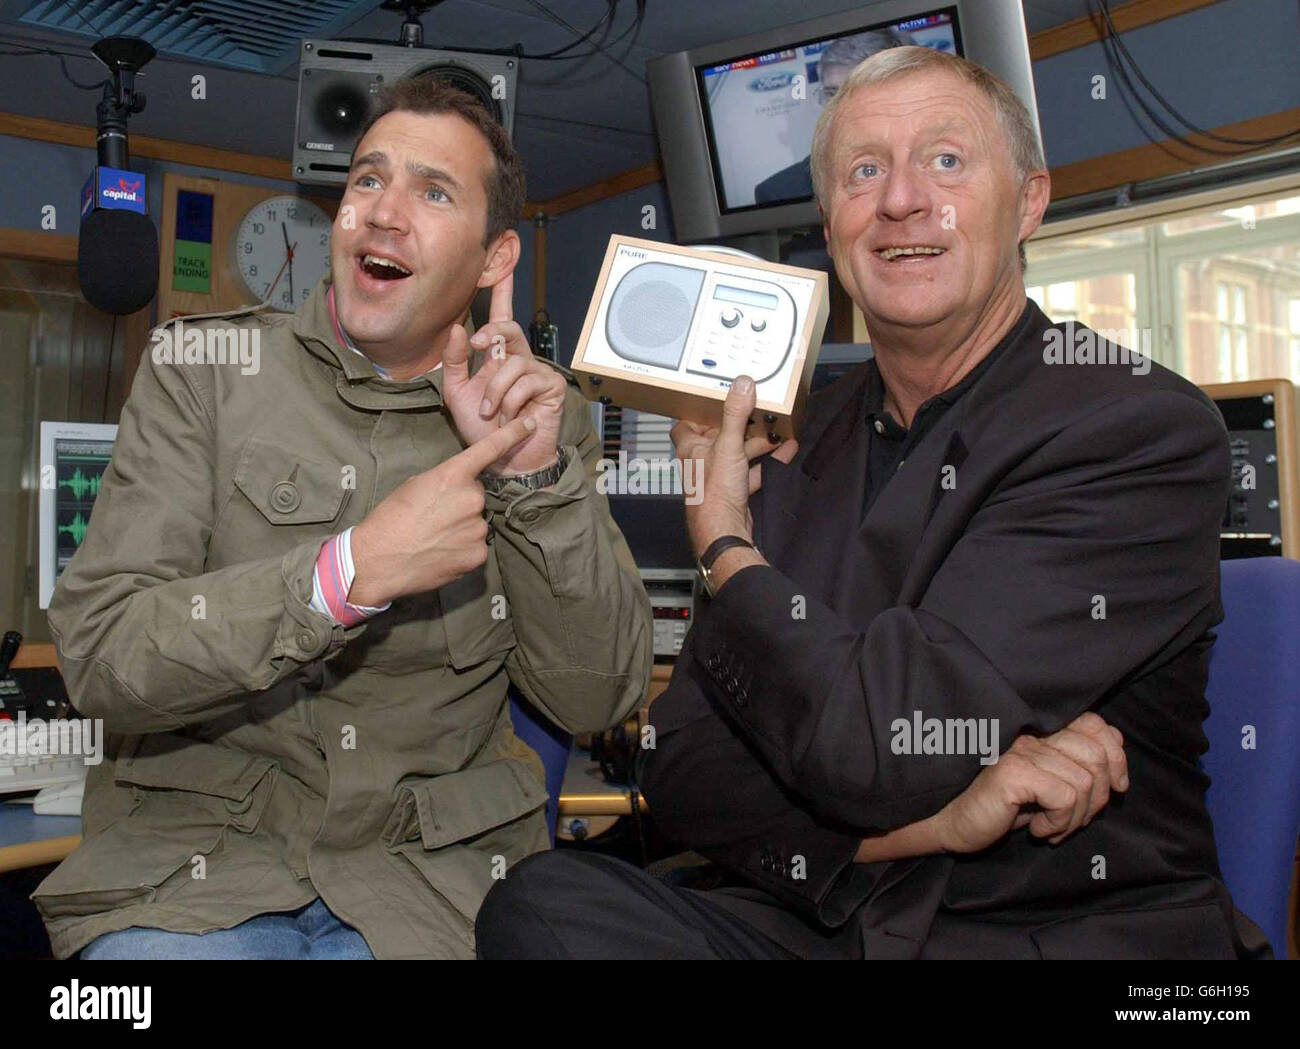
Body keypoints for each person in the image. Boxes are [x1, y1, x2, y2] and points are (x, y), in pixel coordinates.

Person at [474, 47, 1266, 960]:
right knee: (544, 907)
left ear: (1031, 203)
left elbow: (881, 746)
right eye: (863, 171)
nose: (899, 201)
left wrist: (725, 541)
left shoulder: (1135, 428)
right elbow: (682, 771)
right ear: (832, 223)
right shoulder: (801, 432)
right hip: (827, 913)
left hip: (1057, 935)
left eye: (946, 161)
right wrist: (932, 823)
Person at [33, 78, 652, 960]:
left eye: (434, 192)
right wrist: (342, 577)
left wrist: (532, 476)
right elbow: (100, 652)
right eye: (368, 180)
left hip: (430, 885)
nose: (384, 215)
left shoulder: (543, 424)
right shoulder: (201, 371)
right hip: (199, 878)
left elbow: (600, 696)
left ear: (494, 259)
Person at [753, 28, 915, 205]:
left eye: (856, 92)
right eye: (831, 93)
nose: (840, 108)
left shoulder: (935, 166)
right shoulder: (778, 191)